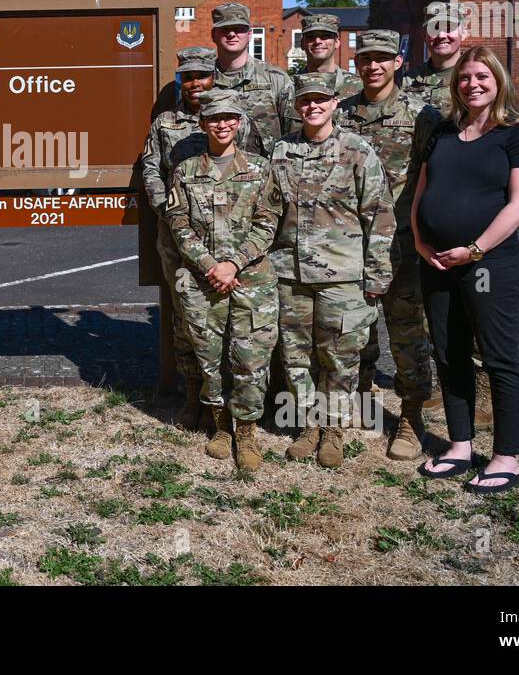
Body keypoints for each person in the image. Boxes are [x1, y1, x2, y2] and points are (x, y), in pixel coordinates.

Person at [412, 46, 519, 493]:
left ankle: (507, 456)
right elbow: (422, 190)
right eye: (465, 78)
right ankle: (461, 445)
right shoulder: (443, 130)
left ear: (498, 80)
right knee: (448, 354)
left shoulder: (517, 133)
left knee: (499, 357)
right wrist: (419, 239)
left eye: (482, 76)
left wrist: (474, 249)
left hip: (488, 263)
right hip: (437, 262)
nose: (473, 84)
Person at [272, 73, 396, 469]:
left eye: (320, 100)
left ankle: (334, 430)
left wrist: (377, 274)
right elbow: (268, 211)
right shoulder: (280, 152)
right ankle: (308, 426)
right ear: (297, 106)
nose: (313, 107)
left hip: (343, 274)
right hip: (289, 273)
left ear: (334, 103)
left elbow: (378, 214)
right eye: (305, 101)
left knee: (340, 356)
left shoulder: (357, 151)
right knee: (296, 356)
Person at [165, 89, 282, 471]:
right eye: (215, 118)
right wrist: (209, 264)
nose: (223, 124)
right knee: (209, 357)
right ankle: (220, 427)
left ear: (239, 122)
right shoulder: (185, 171)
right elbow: (178, 224)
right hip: (203, 280)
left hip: (250, 279)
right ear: (203, 124)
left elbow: (269, 222)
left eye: (230, 117)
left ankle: (246, 431)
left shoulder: (260, 168)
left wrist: (233, 262)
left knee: (250, 358)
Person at [338, 30, 439, 460]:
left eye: (383, 58)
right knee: (355, 331)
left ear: (399, 62)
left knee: (407, 334)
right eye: (365, 59)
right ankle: (361, 398)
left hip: (401, 246)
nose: (373, 66)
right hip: (348, 245)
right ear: (356, 64)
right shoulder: (340, 114)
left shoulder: (422, 117)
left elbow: (439, 178)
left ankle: (412, 418)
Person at [403, 1, 493, 424]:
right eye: (435, 28)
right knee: (434, 306)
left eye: (450, 28)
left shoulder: (476, 75)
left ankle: (487, 392)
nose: (442, 35)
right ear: (426, 33)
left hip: (472, 207)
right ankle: (446, 385)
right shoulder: (409, 81)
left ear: (463, 30)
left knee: (478, 305)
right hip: (425, 201)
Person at [140, 46, 217, 429]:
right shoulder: (166, 123)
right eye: (188, 77)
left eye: (202, 75)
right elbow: (150, 168)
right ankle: (193, 397)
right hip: (176, 235)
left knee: (224, 317)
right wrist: (166, 208)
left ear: (213, 77)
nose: (195, 83)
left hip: (223, 237)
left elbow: (253, 169)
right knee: (184, 317)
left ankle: (223, 400)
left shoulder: (232, 119)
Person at [202, 2, 292, 158]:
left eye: (238, 29)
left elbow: (294, 134)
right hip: (212, 174)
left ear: (249, 35)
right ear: (213, 35)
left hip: (265, 175)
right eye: (224, 29)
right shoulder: (201, 81)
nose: (231, 34)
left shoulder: (275, 79)